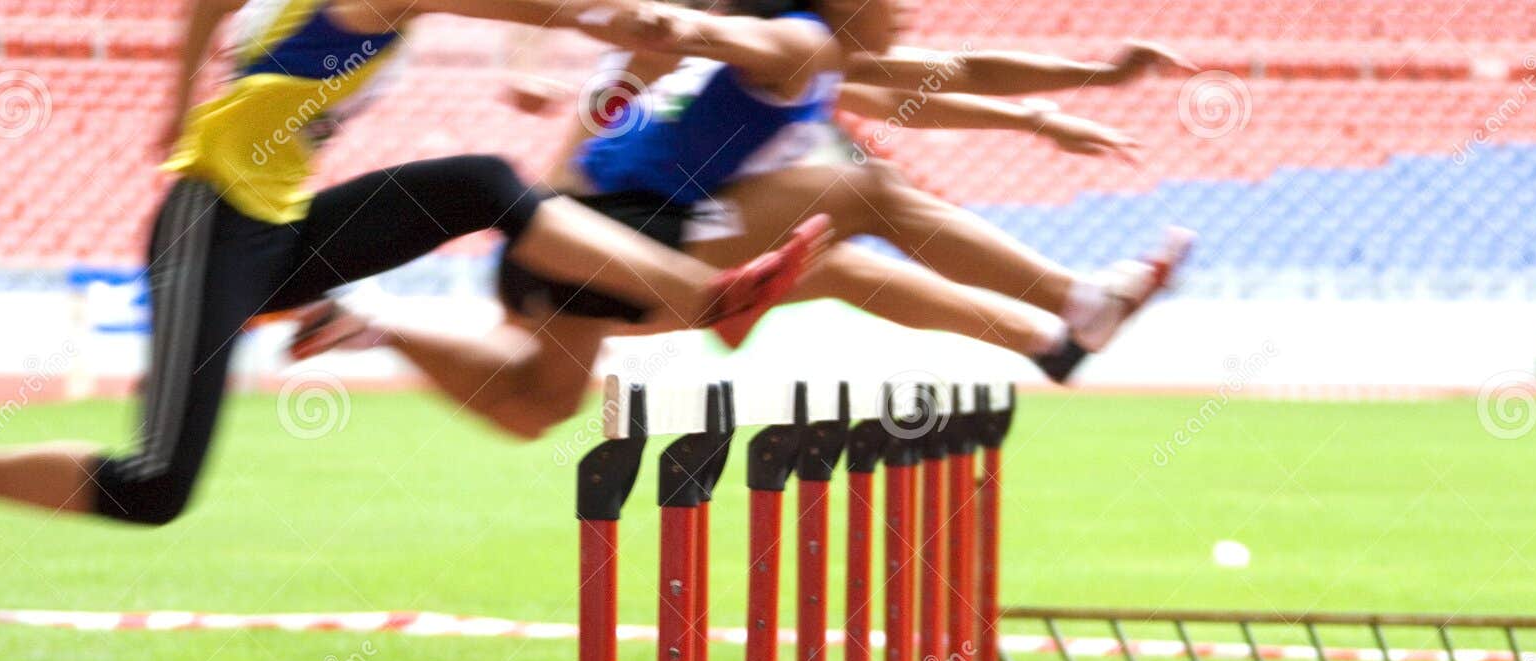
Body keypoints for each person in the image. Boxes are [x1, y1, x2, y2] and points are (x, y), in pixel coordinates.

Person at [0, 0, 826, 525]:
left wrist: (180, 94)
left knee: (481, 184)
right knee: (152, 487)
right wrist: (612, 16)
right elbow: (524, 6)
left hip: (279, 224)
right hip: (213, 223)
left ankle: (714, 298)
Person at [295, 0, 1192, 404]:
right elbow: (715, 30)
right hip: (615, 232)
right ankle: (1074, 305)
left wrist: (1079, 90)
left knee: (536, 400)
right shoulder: (792, 42)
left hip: (574, 261)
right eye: (897, 1)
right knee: (859, 190)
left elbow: (954, 75)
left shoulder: (826, 61)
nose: (909, 12)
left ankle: (365, 325)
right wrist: (675, 28)